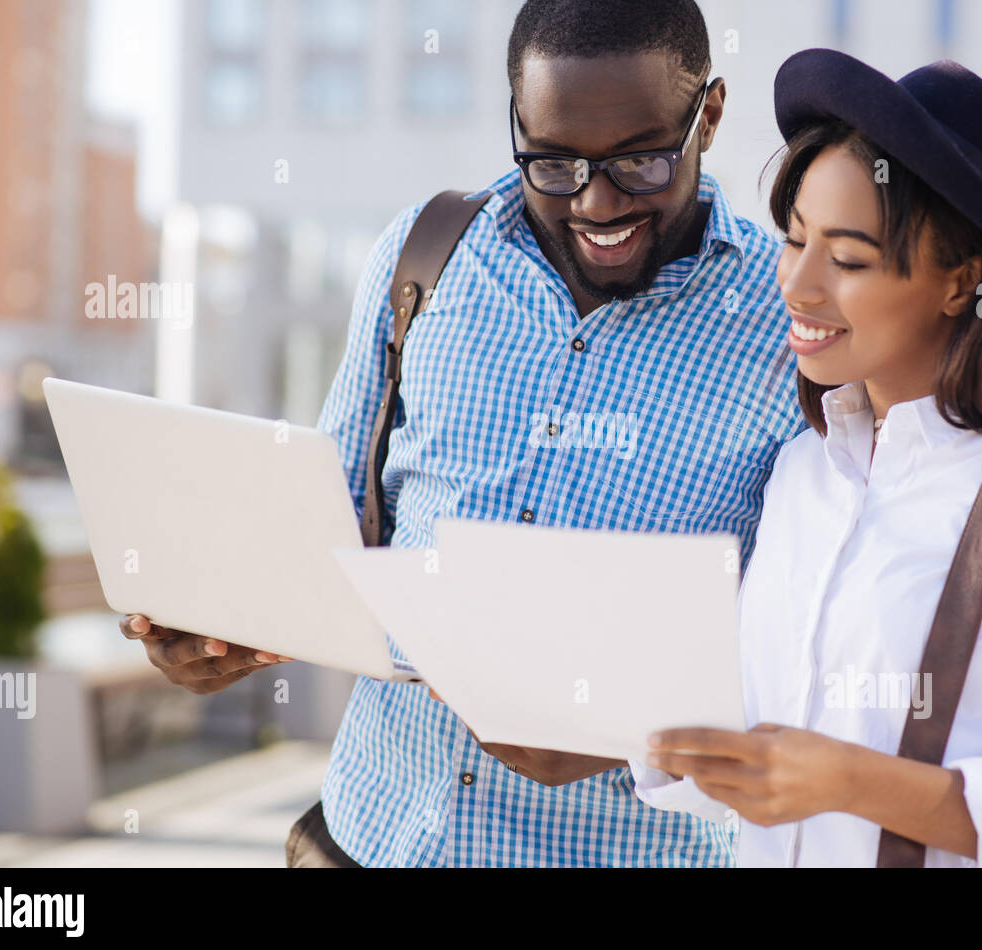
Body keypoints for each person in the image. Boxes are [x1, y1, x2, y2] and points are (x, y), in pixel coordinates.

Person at [119, 0, 806, 867]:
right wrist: (222, 626)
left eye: (638, 161)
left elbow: (816, 657)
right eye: (553, 162)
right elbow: (336, 523)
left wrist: (631, 732)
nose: (597, 204)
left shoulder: (792, 332)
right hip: (366, 835)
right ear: (516, 120)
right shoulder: (424, 257)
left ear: (707, 113)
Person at [635, 49, 982, 866]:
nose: (796, 284)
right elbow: (767, 748)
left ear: (959, 281)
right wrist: (606, 717)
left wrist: (853, 780)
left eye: (849, 258)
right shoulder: (807, 473)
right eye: (793, 240)